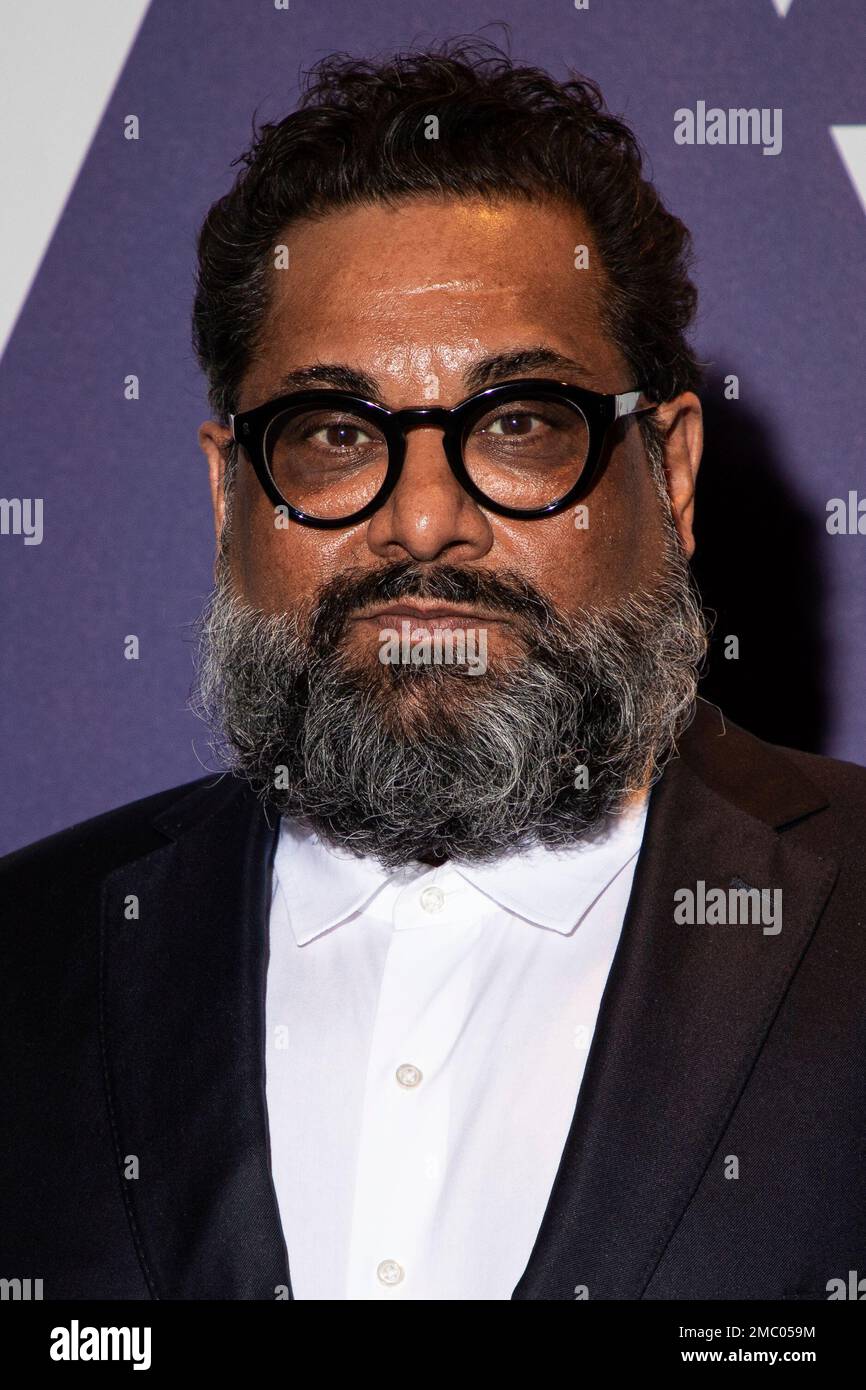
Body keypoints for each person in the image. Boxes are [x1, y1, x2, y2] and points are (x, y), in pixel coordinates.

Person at [1, 40, 864, 1302]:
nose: (418, 522)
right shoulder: (27, 957)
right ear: (228, 490)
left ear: (669, 474)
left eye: (515, 424)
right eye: (334, 434)